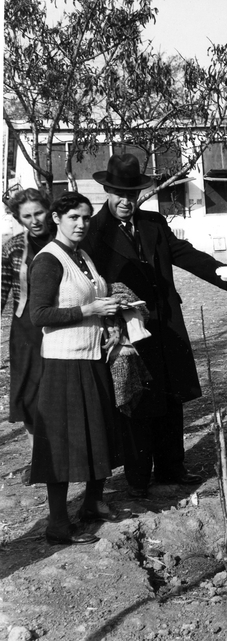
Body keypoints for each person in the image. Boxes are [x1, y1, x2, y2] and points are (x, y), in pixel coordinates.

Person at [82, 153, 227, 499]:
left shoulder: (153, 223)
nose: (126, 201)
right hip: (127, 330)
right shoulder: (93, 232)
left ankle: (171, 468)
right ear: (107, 190)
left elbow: (185, 253)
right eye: (119, 193)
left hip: (166, 325)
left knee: (170, 397)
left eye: (132, 194)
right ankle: (138, 480)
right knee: (136, 399)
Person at [29, 192, 124, 545]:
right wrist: (88, 311)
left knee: (98, 431)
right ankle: (57, 525)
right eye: (73, 218)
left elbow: (93, 297)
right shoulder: (49, 260)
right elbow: (39, 314)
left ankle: (92, 503)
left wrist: (110, 318)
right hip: (63, 363)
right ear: (57, 219)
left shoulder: (82, 255)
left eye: (85, 217)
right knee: (64, 442)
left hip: (92, 355)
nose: (81, 224)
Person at [2, 188, 52, 484]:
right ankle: (39, 461)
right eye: (27, 216)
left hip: (62, 322)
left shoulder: (65, 239)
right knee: (30, 393)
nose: (35, 221)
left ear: (49, 210)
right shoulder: (13, 248)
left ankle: (63, 456)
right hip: (26, 330)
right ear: (19, 219)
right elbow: (2, 290)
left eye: (39, 213)